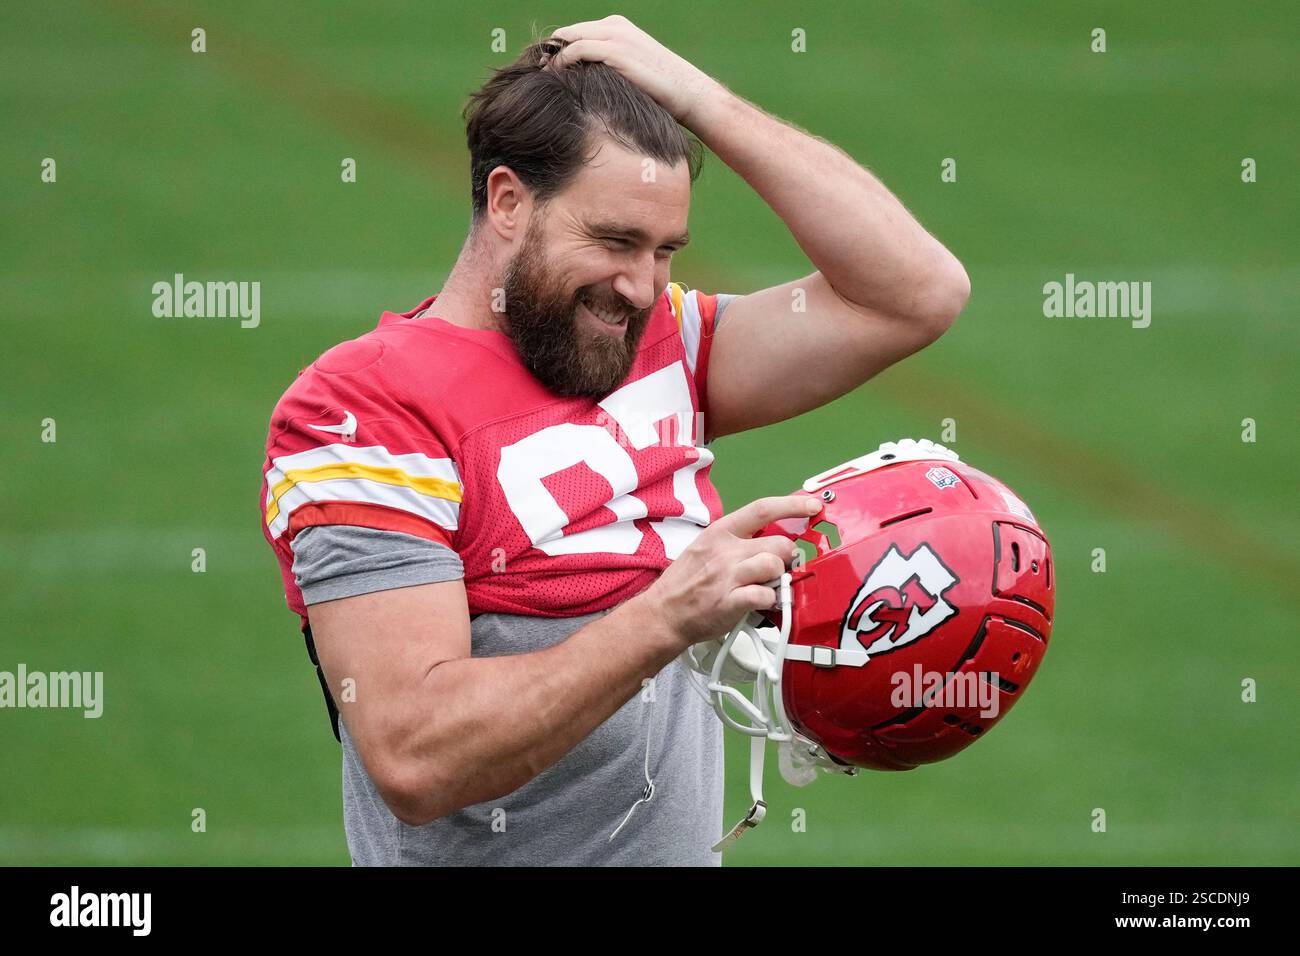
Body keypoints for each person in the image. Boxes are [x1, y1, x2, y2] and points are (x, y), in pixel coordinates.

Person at [258, 15, 969, 866]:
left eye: (667, 249)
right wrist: (670, 614)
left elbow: (915, 294)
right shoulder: (365, 409)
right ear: (509, 202)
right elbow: (417, 755)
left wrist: (699, 98)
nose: (640, 285)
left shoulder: (660, 342)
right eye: (615, 240)